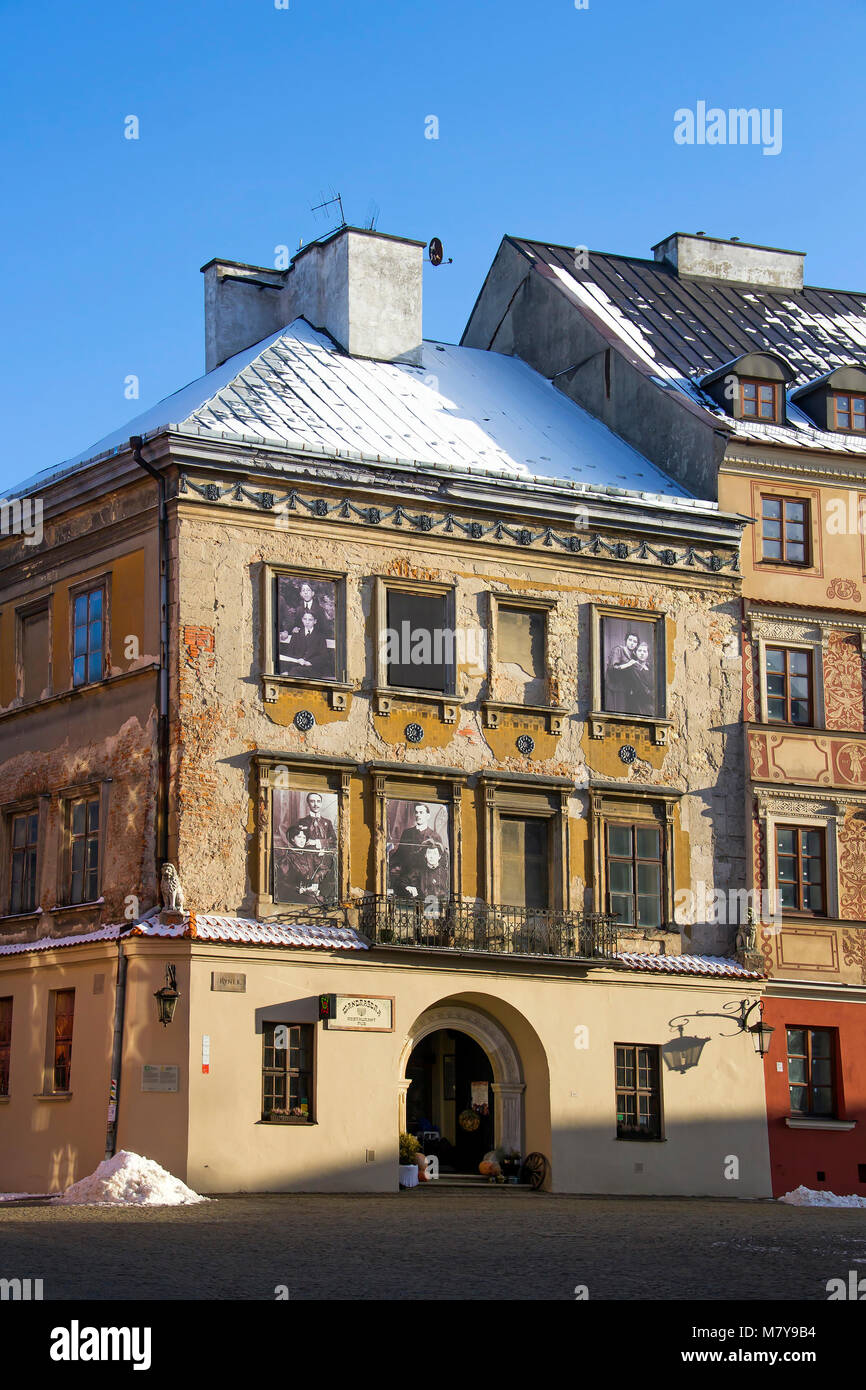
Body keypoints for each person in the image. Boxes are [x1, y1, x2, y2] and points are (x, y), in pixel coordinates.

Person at [388, 803, 445, 896]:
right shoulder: (407, 833)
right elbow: (399, 855)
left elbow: (441, 861)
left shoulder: (435, 836)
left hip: (425, 881)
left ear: (428, 816)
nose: (418, 815)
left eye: (421, 812)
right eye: (416, 812)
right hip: (407, 879)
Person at [279, 610, 331, 677]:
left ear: (315, 621)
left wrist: (310, 662)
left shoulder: (320, 636)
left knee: (296, 673)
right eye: (305, 619)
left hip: (313, 668)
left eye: (310, 620)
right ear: (302, 620)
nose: (307, 622)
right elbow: (290, 652)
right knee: (293, 672)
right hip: (297, 665)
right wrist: (286, 669)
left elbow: (323, 655)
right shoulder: (296, 634)